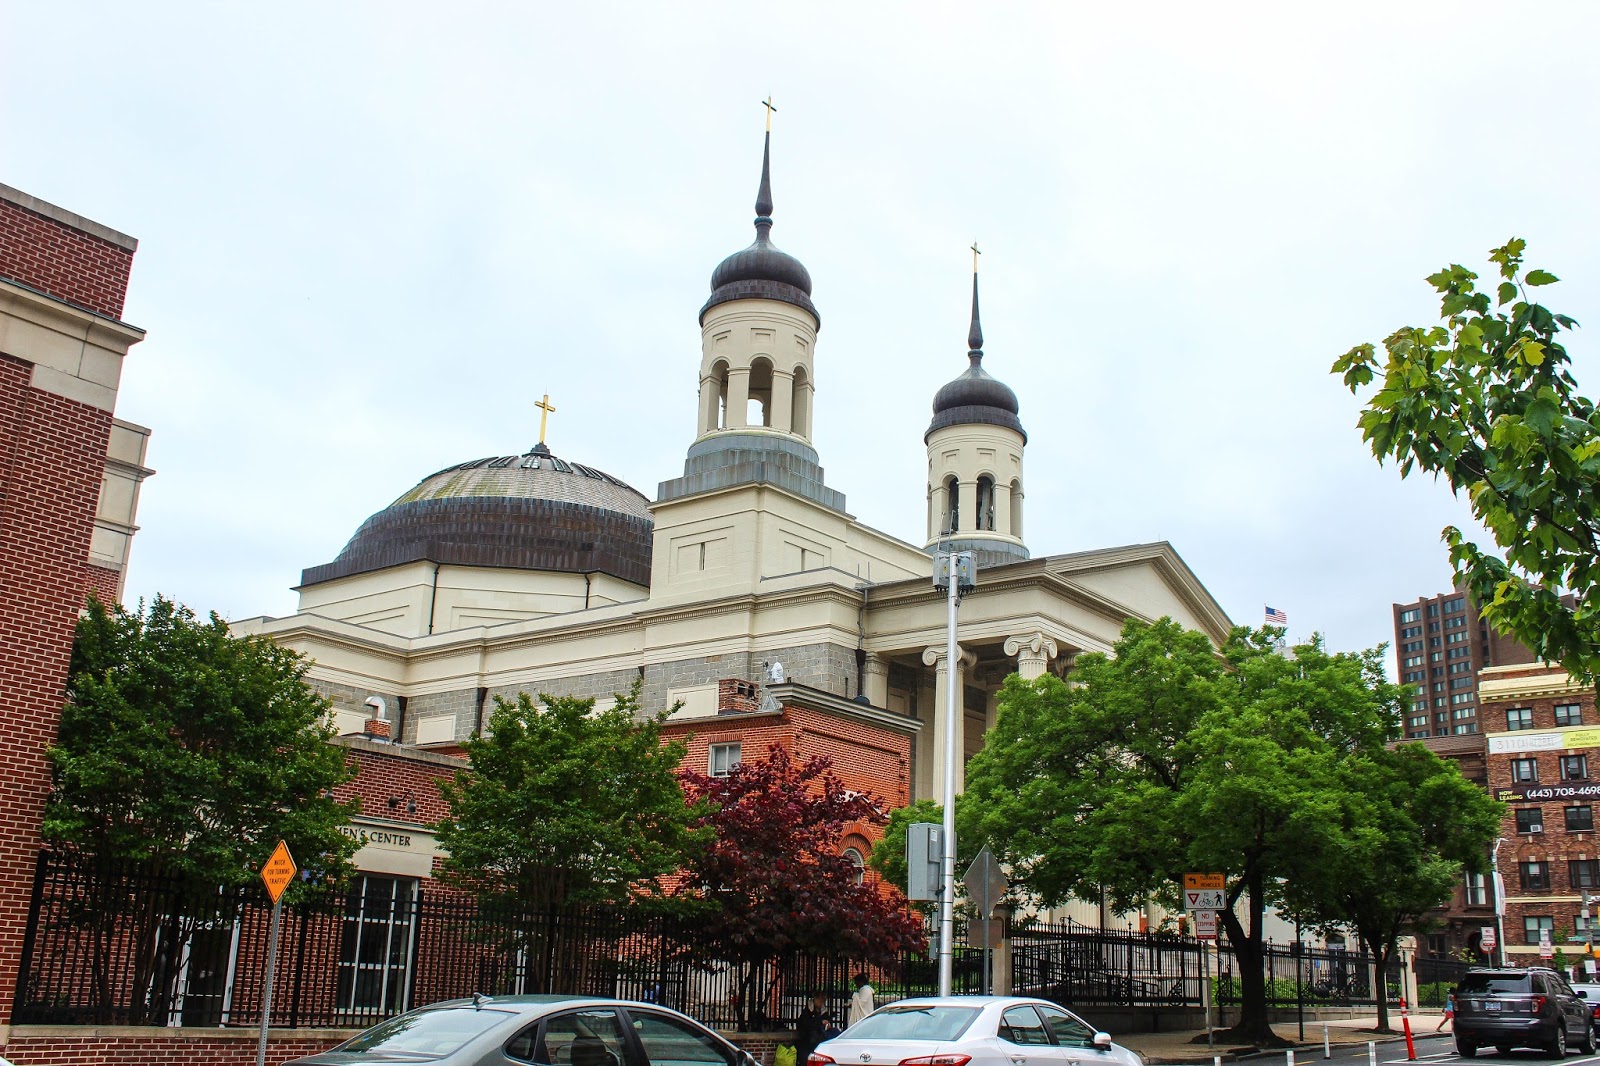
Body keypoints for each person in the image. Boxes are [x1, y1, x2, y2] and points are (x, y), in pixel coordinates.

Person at [796, 993, 831, 1066]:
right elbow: (807, 1023)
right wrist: (820, 1022)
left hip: (818, 1034)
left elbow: (826, 1018)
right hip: (807, 1036)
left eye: (823, 1001)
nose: (822, 1003)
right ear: (815, 999)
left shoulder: (823, 1009)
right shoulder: (808, 1010)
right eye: (820, 1001)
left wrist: (827, 1023)